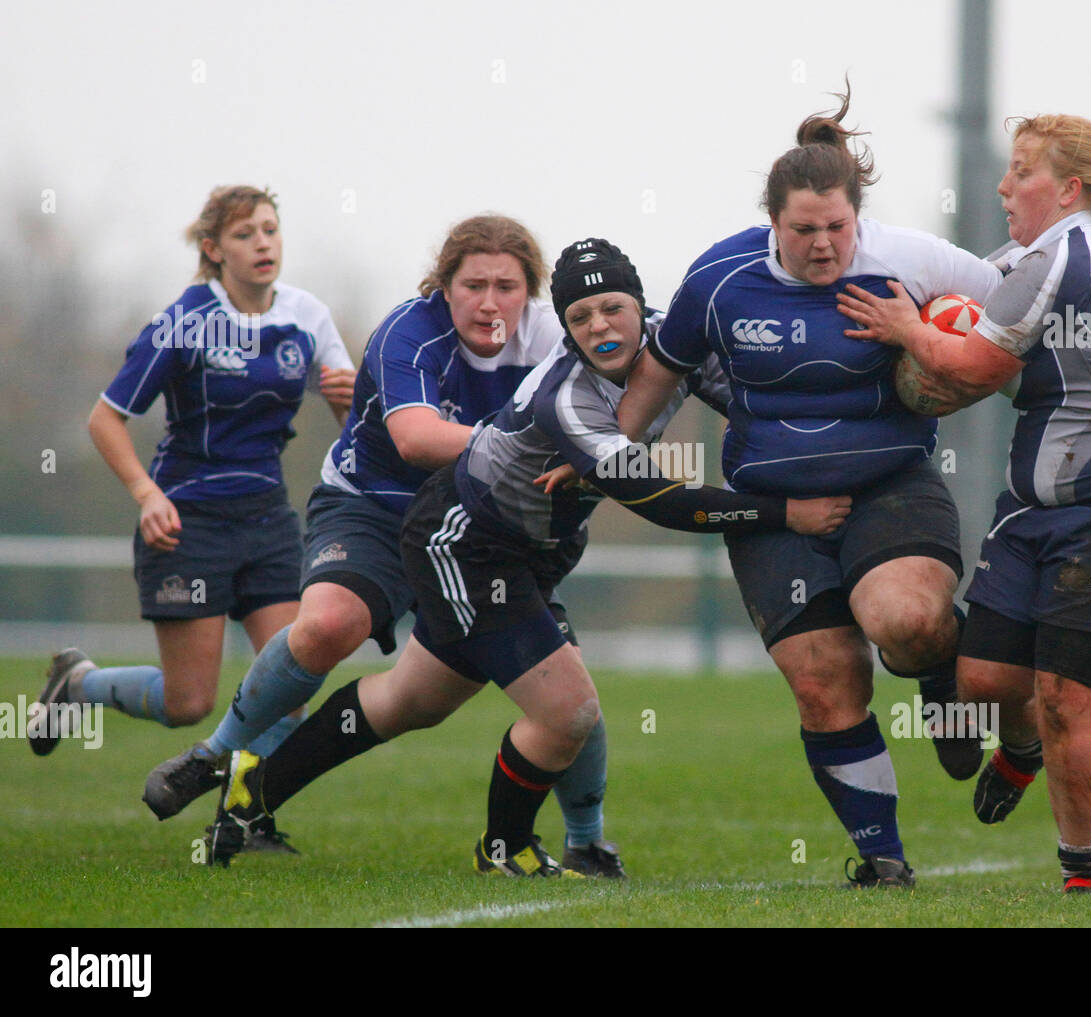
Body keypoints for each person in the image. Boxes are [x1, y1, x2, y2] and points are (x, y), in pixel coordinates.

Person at [200, 238, 850, 873]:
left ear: (642, 307)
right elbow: (660, 500)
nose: (600, 326)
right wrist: (786, 513)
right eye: (580, 317)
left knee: (410, 700)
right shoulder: (567, 398)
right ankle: (507, 848)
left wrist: (830, 431)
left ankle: (250, 794)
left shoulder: (672, 343)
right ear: (564, 329)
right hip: (467, 544)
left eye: (614, 308)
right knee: (568, 710)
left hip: (529, 550)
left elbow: (750, 399)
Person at [141, 215, 625, 876]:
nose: (489, 303)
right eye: (473, 285)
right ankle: (215, 755)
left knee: (528, 687)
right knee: (328, 626)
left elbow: (644, 337)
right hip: (373, 508)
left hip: (479, 535)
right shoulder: (410, 331)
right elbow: (416, 439)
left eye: (507, 287)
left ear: (531, 291)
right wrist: (543, 442)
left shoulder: (550, 332)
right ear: (443, 286)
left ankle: (587, 844)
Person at [616, 88, 1005, 888]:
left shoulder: (910, 260)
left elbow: (1014, 313)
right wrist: (603, 455)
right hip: (771, 510)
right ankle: (883, 858)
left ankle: (939, 671)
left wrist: (934, 345)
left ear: (858, 215)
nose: (824, 244)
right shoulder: (719, 279)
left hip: (890, 484)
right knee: (827, 683)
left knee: (905, 620)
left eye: (838, 226)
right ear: (773, 222)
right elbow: (659, 372)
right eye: (804, 230)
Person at [835, 114, 1091, 896]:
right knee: (987, 680)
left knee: (1065, 698)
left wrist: (908, 331)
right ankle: (1022, 749)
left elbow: (971, 364)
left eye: (1022, 171)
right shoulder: (1032, 259)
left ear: (1068, 189)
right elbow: (949, 288)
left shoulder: (1064, 256)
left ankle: (1087, 875)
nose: (1003, 185)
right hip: (1035, 509)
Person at [27, 187, 355, 819]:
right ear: (213, 249)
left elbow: (358, 432)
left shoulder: (308, 316)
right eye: (244, 234)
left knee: (289, 688)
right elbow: (105, 419)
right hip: (189, 523)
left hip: (268, 519)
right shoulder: (185, 321)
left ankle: (244, 818)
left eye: (270, 229)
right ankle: (79, 684)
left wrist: (349, 399)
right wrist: (146, 494)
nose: (262, 243)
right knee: (189, 704)